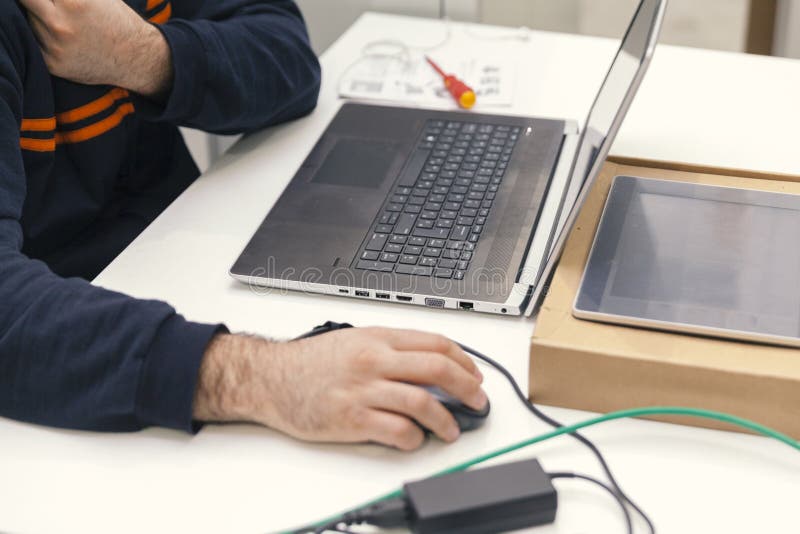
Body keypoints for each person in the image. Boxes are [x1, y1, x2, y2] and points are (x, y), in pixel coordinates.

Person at [0, 0, 487, 452]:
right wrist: (262, 377)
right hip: (56, 371)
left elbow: (286, 55)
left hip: (177, 292)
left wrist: (136, 53)